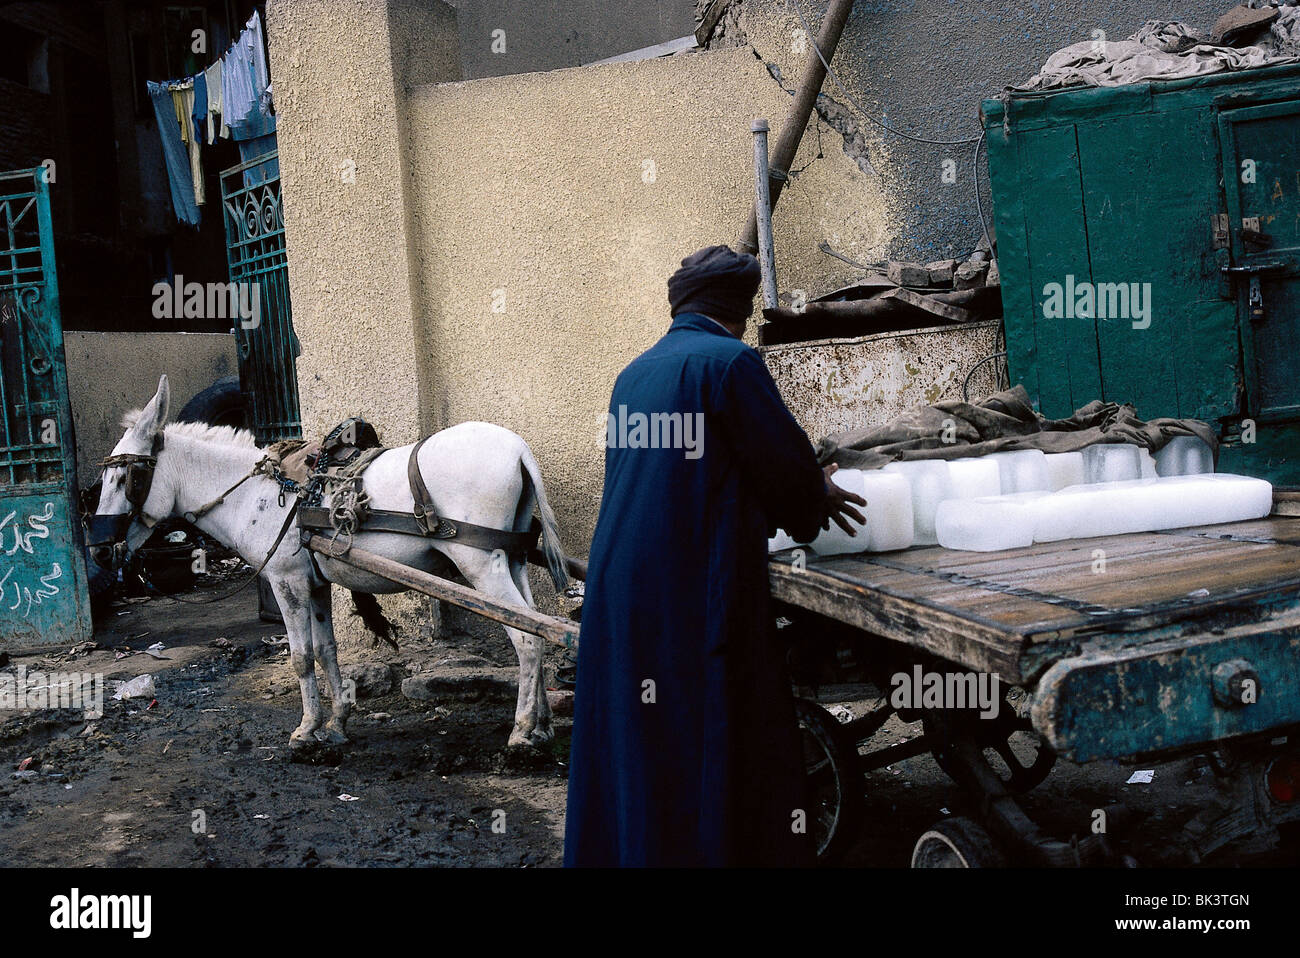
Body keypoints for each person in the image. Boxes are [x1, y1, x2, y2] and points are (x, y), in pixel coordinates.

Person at [564, 244, 866, 867]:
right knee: (710, 728)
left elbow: (677, 472)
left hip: (619, 584)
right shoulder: (730, 363)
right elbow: (781, 465)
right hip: (688, 588)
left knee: (639, 739)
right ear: (741, 309)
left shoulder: (634, 372)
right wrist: (817, 494)